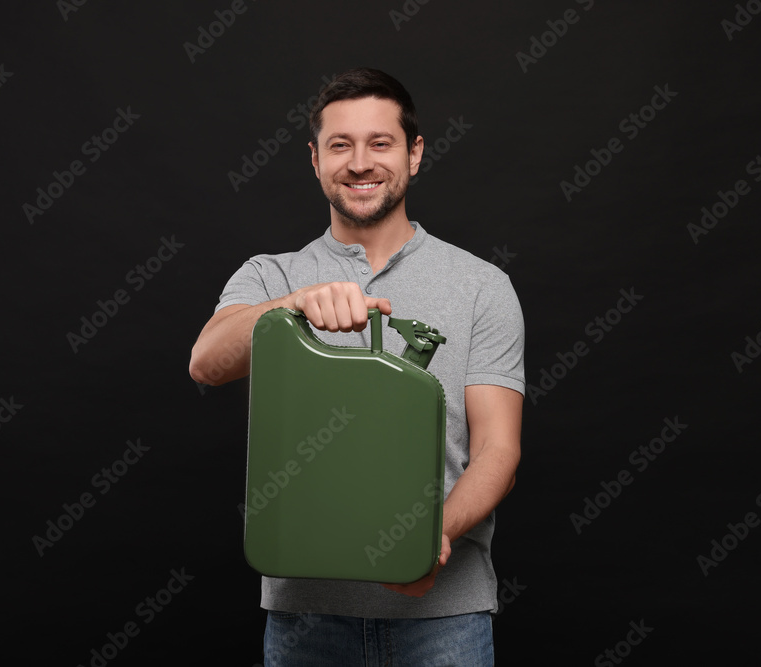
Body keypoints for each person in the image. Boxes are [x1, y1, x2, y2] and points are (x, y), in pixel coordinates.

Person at [189, 67, 525, 666]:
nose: (360, 162)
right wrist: (289, 308)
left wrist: (427, 542)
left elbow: (498, 449)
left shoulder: (481, 287)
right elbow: (206, 362)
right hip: (306, 620)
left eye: (380, 143)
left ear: (414, 154)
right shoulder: (271, 275)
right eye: (341, 145)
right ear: (315, 159)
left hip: (444, 618)